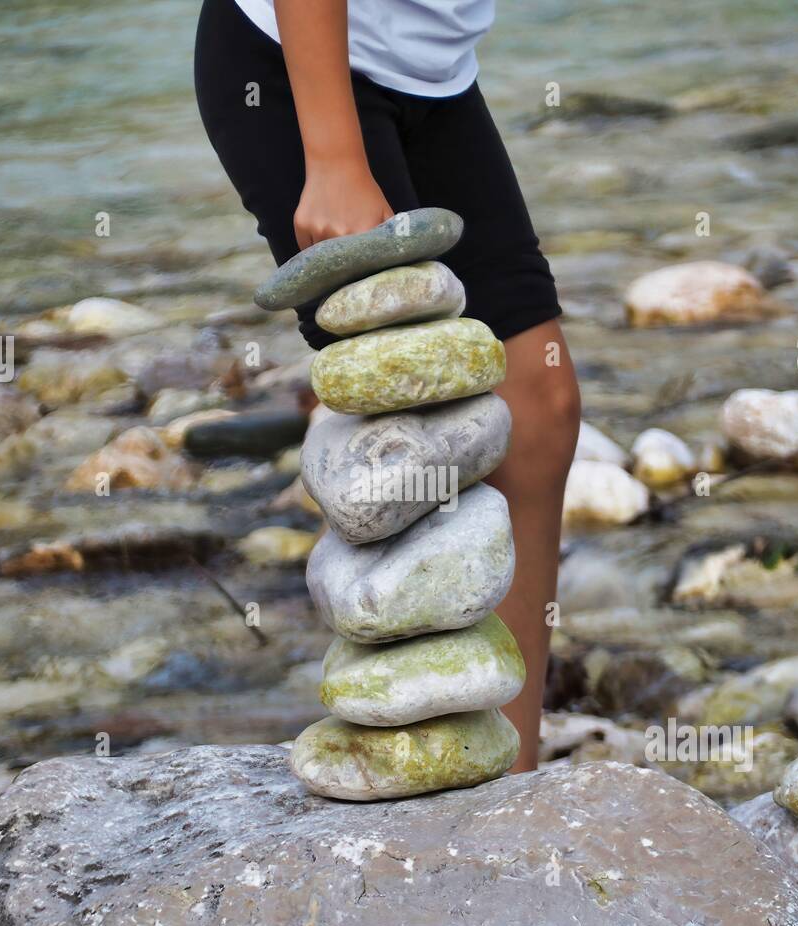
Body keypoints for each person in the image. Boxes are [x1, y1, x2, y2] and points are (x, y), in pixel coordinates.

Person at [195, 0, 581, 772]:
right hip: (300, 68)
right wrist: (333, 154)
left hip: (434, 76)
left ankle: (508, 780)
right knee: (408, 438)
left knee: (540, 409)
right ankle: (420, 776)